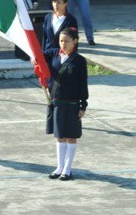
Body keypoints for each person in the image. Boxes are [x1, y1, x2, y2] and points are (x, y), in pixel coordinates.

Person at [39, 27, 88, 181]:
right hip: (56, 102)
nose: (63, 44)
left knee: (71, 136)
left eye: (67, 41)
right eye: (61, 41)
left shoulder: (79, 61)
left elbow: (82, 84)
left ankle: (67, 169)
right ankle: (59, 167)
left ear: (75, 41)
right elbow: (38, 56)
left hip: (72, 103)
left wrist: (83, 105)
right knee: (59, 136)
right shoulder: (54, 54)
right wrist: (35, 59)